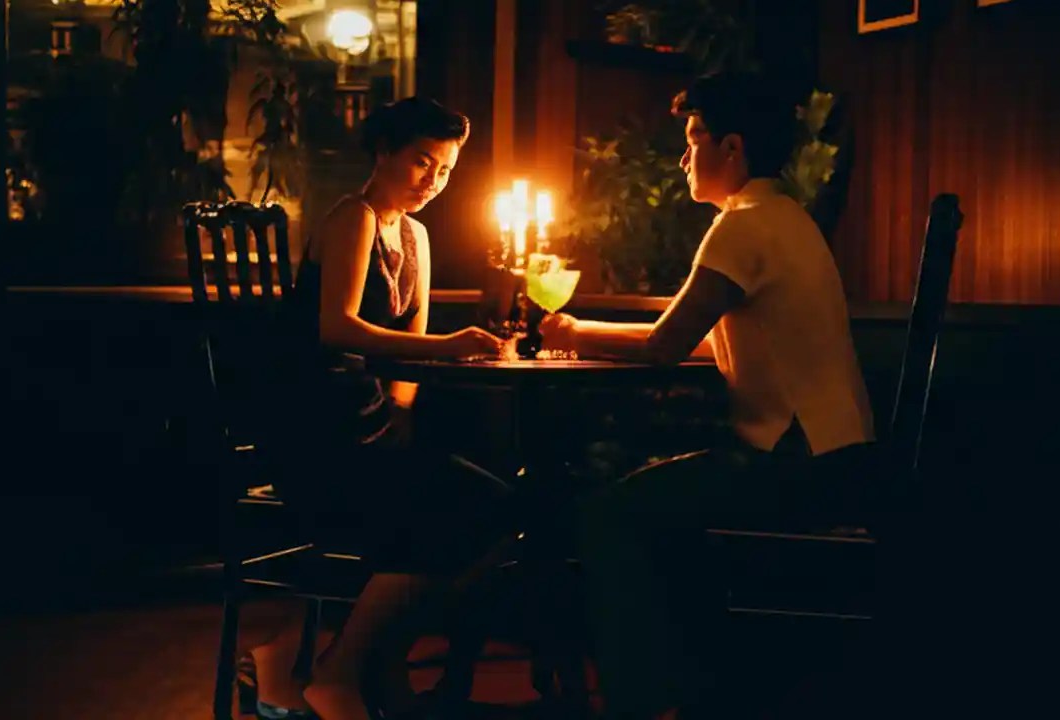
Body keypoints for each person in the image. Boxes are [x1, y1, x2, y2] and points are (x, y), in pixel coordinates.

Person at [539, 73, 876, 719]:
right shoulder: (784, 216)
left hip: (796, 464)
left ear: (732, 147)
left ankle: (641, 703)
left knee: (609, 515)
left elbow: (666, 345)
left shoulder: (743, 225)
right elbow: (696, 340)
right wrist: (580, 333)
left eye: (693, 141)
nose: (683, 157)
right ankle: (695, 694)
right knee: (660, 512)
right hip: (837, 458)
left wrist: (573, 330)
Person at [242, 97, 514, 720]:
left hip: (370, 427)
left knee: (497, 513)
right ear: (383, 151)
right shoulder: (353, 218)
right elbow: (336, 329)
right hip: (314, 430)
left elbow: (407, 357)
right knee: (464, 512)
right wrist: (447, 346)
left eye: (445, 171)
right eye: (421, 162)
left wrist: (401, 409)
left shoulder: (417, 237)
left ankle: (337, 660)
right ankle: (335, 671)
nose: (432, 182)